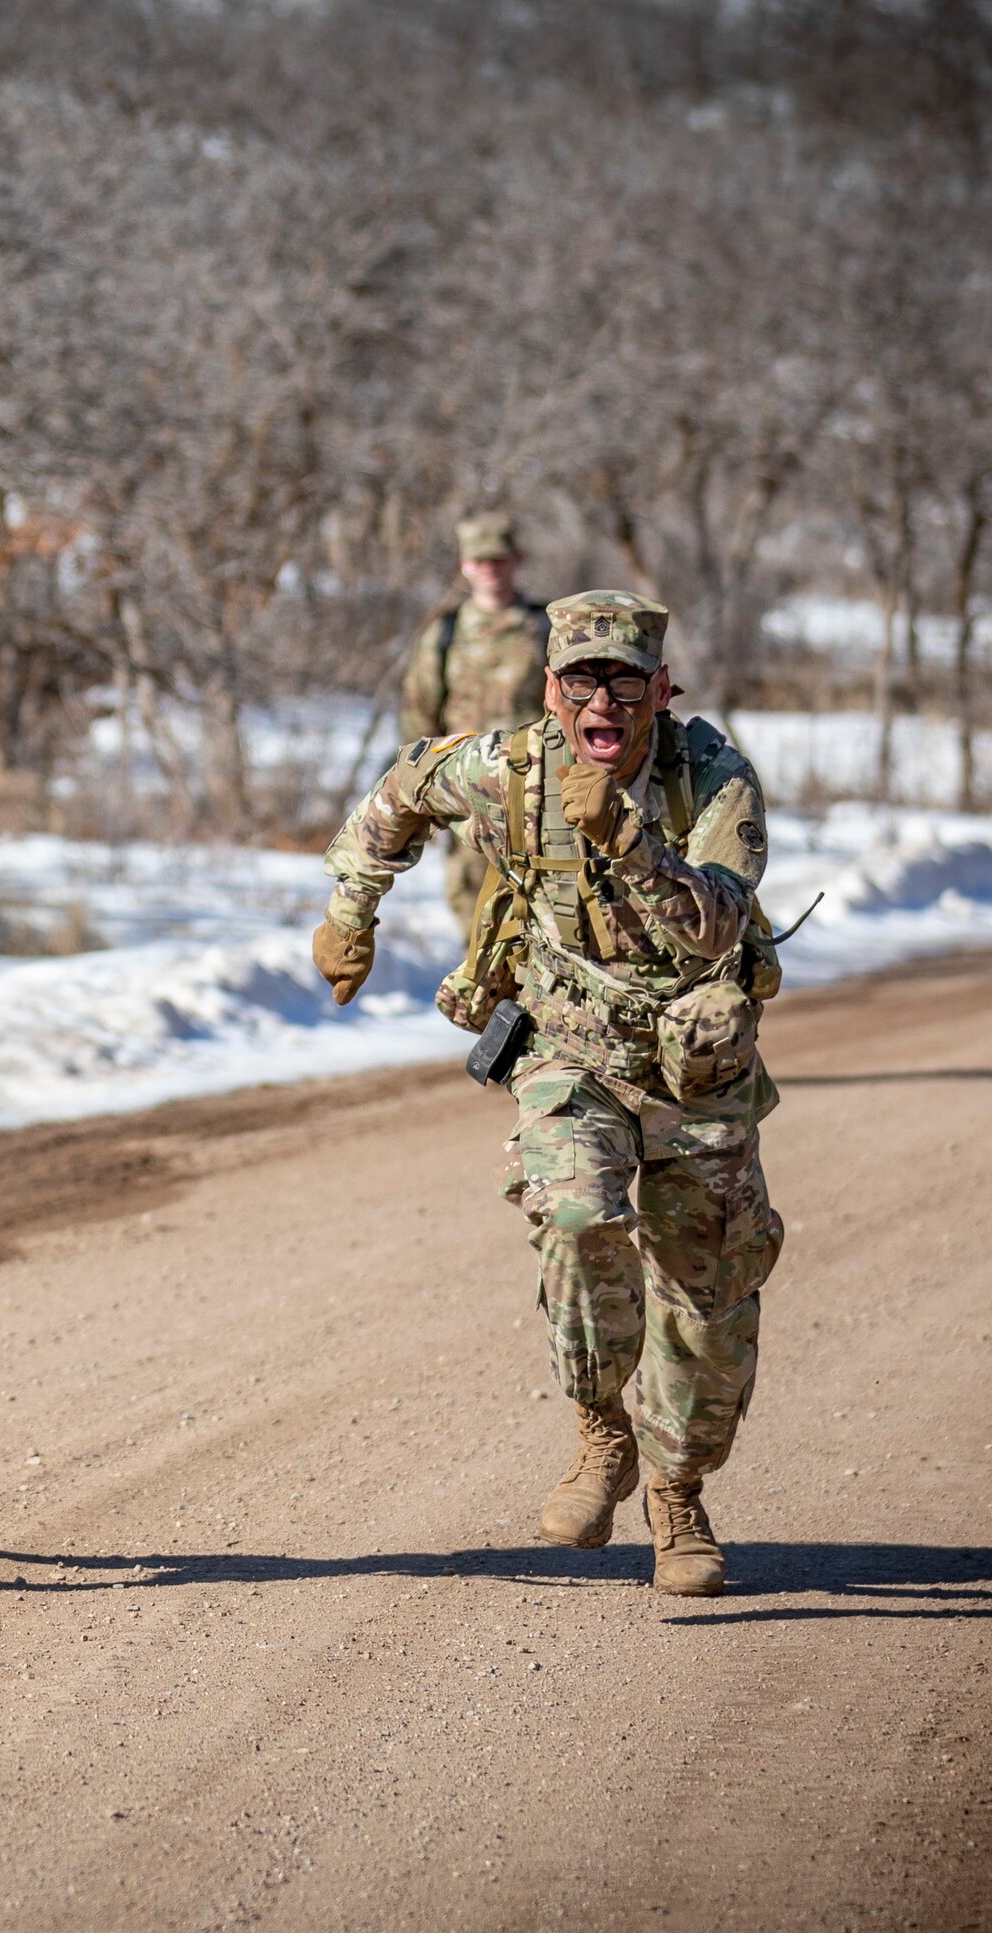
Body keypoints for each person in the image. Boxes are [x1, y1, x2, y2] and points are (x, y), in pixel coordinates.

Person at [312, 590, 783, 1596]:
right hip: (567, 1047)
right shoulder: (510, 770)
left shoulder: (714, 779)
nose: (601, 700)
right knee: (573, 1215)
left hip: (694, 1067)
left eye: (625, 681)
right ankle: (602, 1430)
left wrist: (631, 842)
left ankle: (677, 1491)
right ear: (550, 689)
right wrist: (351, 910)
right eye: (581, 679)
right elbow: (401, 791)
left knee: (707, 1300)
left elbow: (717, 925)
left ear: (661, 688)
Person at [396, 514, 550, 932]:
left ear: (516, 560)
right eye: (480, 561)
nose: (489, 569)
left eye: (498, 559)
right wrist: (420, 791)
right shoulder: (445, 633)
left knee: (546, 913)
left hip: (536, 796)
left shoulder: (545, 627)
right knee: (475, 916)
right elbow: (419, 712)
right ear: (465, 566)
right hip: (467, 797)